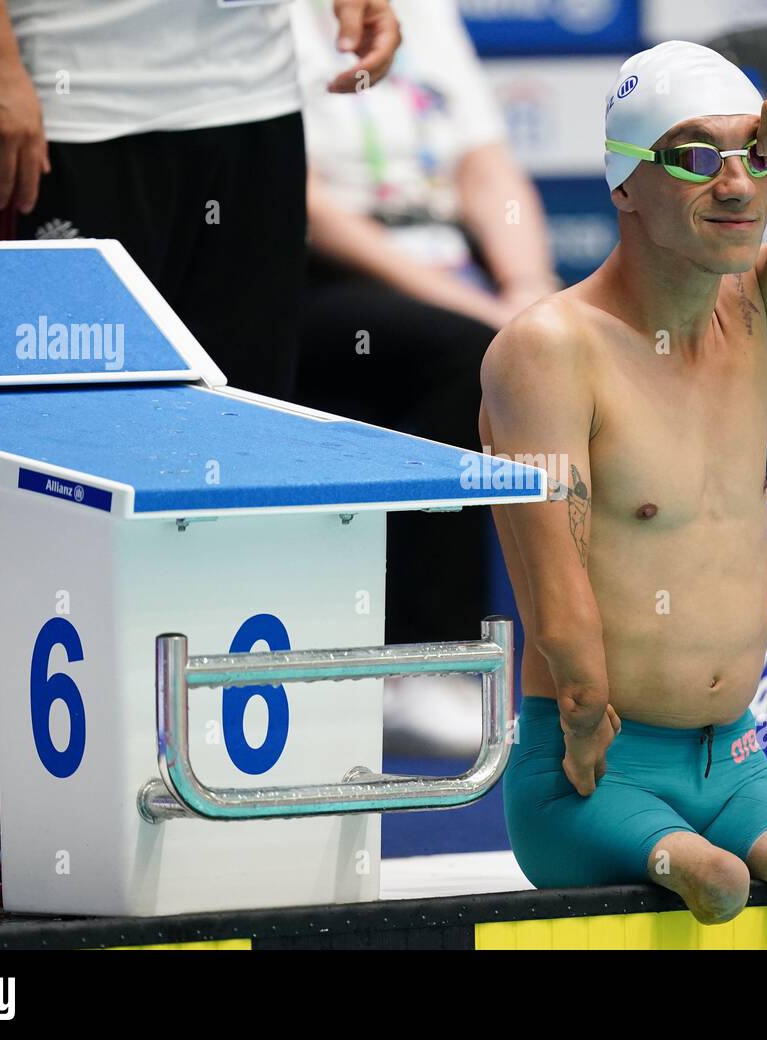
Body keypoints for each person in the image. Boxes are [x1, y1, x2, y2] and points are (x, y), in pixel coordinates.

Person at [0, 0, 401, 867]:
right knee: (52, 465)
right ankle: (20, 775)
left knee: (241, 451)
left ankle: (209, 764)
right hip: (77, 101)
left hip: (252, 108)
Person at [483, 41, 767, 928]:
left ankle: (713, 847)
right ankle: (675, 852)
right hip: (588, 769)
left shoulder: (757, 313)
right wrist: (580, 707)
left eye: (754, 155)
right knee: (714, 882)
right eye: (693, 158)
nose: (737, 185)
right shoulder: (550, 350)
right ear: (623, 185)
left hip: (737, 759)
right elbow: (550, 581)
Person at [291, 0, 558, 755]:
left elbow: (486, 164)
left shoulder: (426, 12)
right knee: (463, 353)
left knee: (608, 346)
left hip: (456, 264)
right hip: (321, 275)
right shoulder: (258, 19)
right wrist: (479, 307)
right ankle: (424, 666)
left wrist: (529, 284)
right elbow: (297, 201)